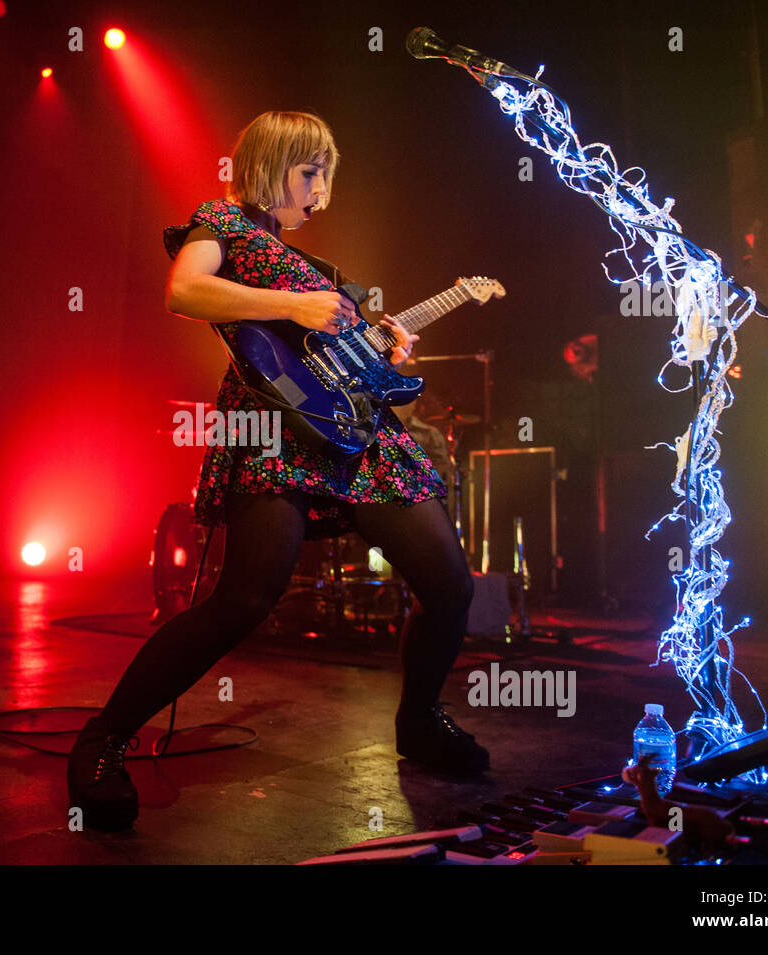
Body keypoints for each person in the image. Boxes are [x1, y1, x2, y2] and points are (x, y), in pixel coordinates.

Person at [67, 111, 483, 831]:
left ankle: (419, 720)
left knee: (449, 583)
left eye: (328, 175)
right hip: (273, 422)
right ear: (269, 163)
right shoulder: (221, 224)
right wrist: (295, 303)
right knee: (244, 599)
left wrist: (383, 349)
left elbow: (340, 342)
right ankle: (104, 739)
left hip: (357, 431)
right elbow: (185, 292)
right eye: (309, 172)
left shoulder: (321, 270)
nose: (321, 190)